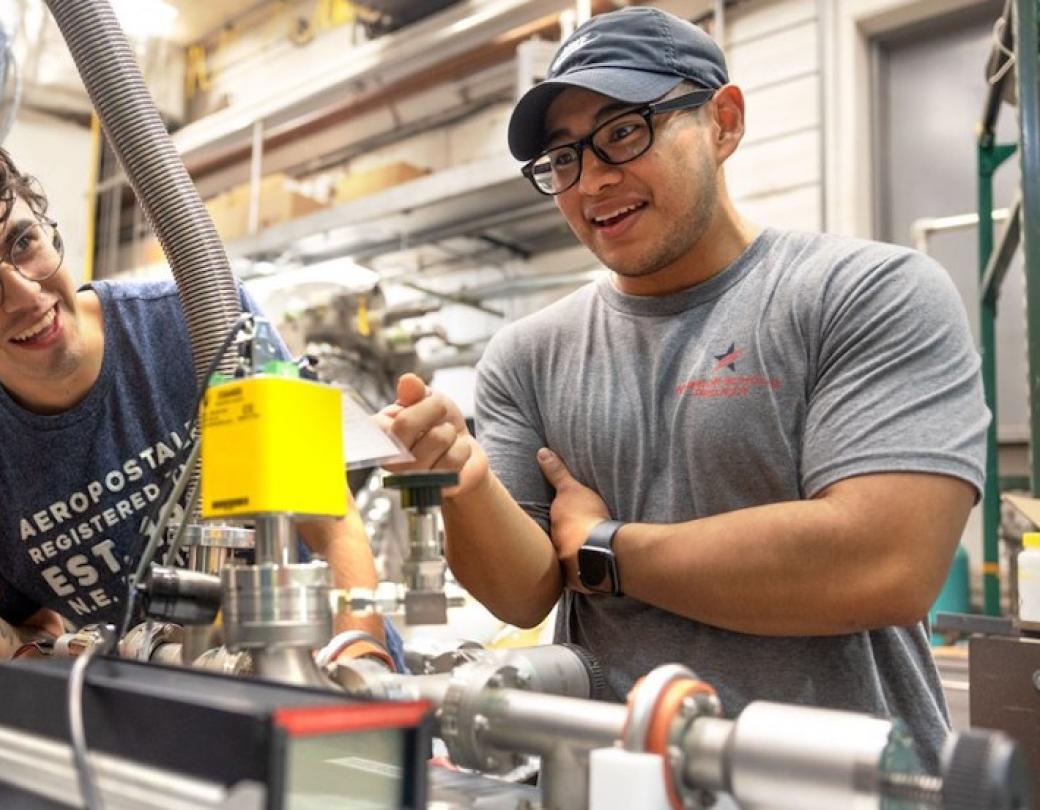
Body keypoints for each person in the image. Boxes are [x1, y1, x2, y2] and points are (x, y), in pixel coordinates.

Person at [379, 6, 985, 769]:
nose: (593, 178)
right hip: (620, 783)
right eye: (562, 158)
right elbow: (523, 592)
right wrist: (464, 482)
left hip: (847, 784)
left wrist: (603, 550)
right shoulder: (527, 355)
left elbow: (885, 561)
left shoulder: (866, 292)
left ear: (723, 123)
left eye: (625, 131)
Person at [0, 123, 387, 663]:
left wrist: (358, 664)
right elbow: (40, 635)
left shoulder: (205, 319)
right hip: (170, 743)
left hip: (329, 685)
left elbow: (331, 523)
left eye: (22, 243)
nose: (26, 294)